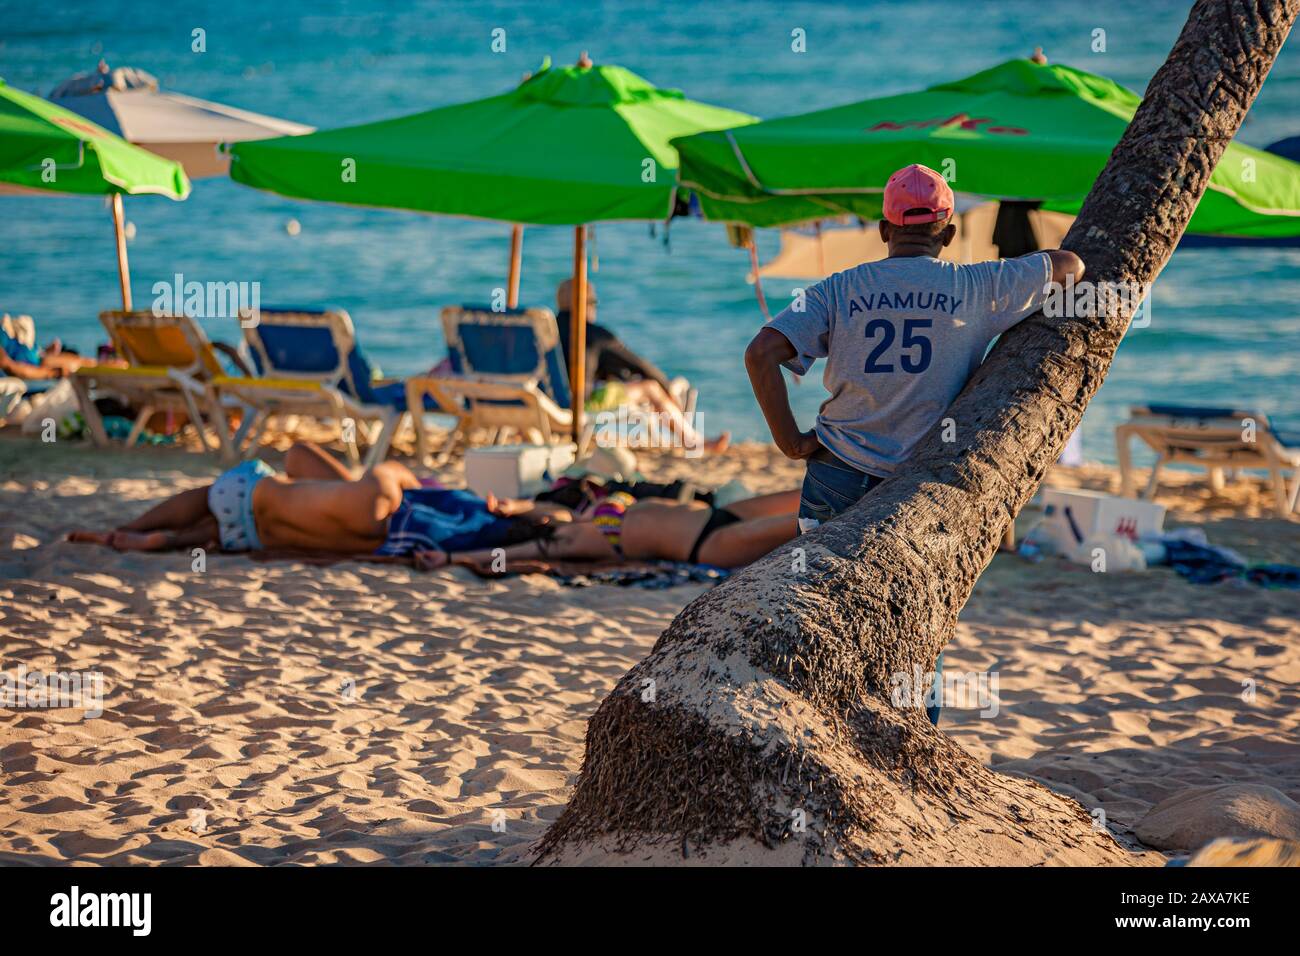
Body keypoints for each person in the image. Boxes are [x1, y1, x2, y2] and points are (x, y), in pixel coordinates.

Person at [744, 162, 1085, 723]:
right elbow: (1068, 264)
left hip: (834, 472)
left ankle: (814, 730)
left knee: (816, 614)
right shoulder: (976, 286)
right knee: (917, 622)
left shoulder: (838, 288)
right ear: (948, 233)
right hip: (918, 487)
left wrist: (791, 442)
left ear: (883, 230)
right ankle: (908, 740)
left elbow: (761, 354)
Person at [68, 442, 562, 556]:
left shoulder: (484, 512)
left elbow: (552, 513)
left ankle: (134, 528)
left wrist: (518, 505)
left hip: (370, 503)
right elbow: (557, 520)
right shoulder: (478, 537)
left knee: (298, 453)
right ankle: (166, 540)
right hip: (265, 534)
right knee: (224, 525)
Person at [416, 489, 800, 572]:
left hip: (716, 513)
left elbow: (546, 508)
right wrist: (451, 557)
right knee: (806, 523)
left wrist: (513, 505)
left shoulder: (568, 519)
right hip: (706, 543)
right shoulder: (559, 542)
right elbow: (504, 556)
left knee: (812, 487)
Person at [555, 278, 729, 453]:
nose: (594, 308)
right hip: (580, 403)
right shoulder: (595, 335)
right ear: (584, 304)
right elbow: (639, 365)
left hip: (551, 401)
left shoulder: (549, 330)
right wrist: (666, 386)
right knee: (651, 388)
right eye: (592, 302)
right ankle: (694, 442)